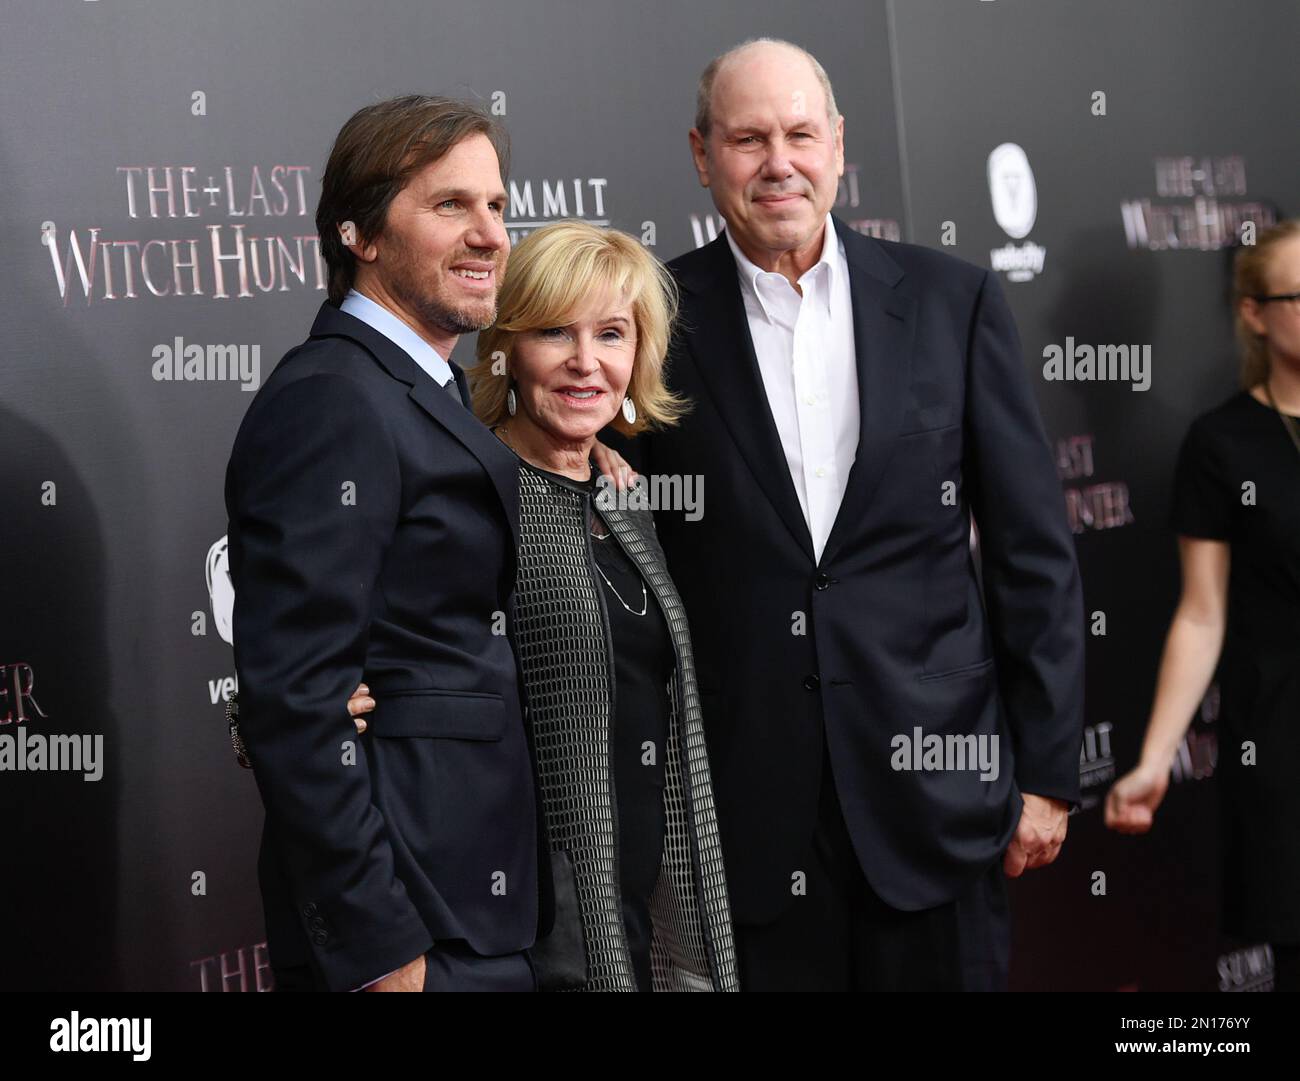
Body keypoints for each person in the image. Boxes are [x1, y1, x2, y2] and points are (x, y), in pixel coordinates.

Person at [607, 38, 1085, 991]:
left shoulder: (954, 300)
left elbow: (1034, 552)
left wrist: (1047, 776)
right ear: (702, 155)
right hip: (744, 816)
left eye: (798, 134)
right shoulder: (645, 316)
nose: (777, 163)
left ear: (837, 145)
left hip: (938, 799)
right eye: (748, 139)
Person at [224, 96, 631, 992]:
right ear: (360, 235)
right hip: (410, 931)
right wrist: (375, 947)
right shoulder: (331, 400)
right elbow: (296, 700)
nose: (490, 233)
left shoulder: (429, 391)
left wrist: (577, 444)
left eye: (496, 205)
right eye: (450, 206)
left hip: (478, 910)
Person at [350, 221, 739, 991]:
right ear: (507, 348)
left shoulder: (623, 497)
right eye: (555, 331)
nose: (586, 361)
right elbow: (377, 665)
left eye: (612, 334)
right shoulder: (469, 496)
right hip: (528, 923)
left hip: (647, 901)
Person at [1106, 219, 1300, 991]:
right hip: (1284, 752)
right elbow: (1201, 613)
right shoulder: (1224, 445)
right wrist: (1156, 757)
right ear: (1254, 312)